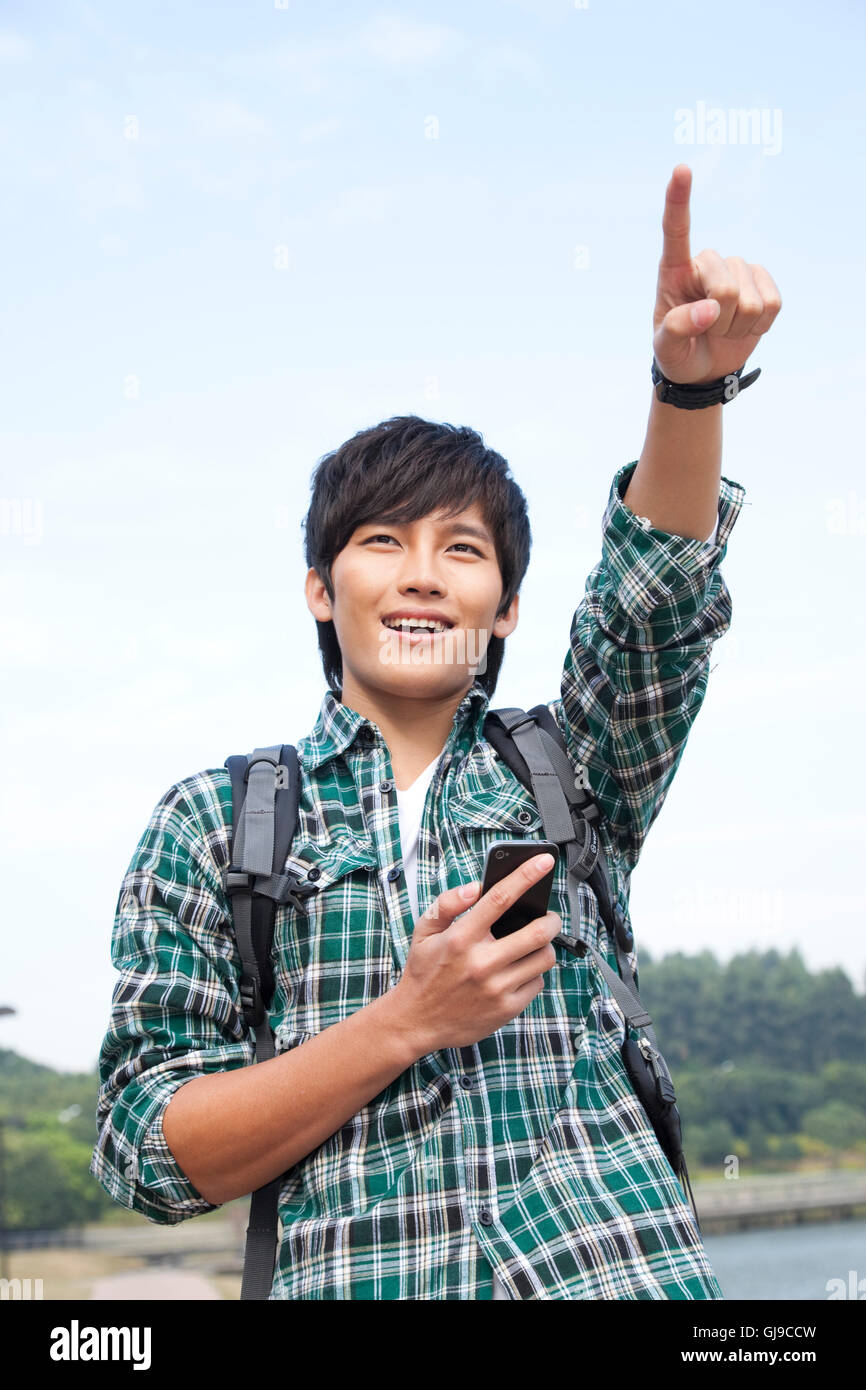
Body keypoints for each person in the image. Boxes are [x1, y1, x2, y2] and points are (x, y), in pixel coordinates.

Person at [90, 165, 781, 1299]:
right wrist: (407, 1019)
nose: (420, 577)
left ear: (505, 607)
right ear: (320, 588)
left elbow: (650, 600)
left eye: (461, 549)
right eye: (382, 543)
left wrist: (686, 391)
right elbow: (150, 1147)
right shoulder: (213, 825)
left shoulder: (569, 771)